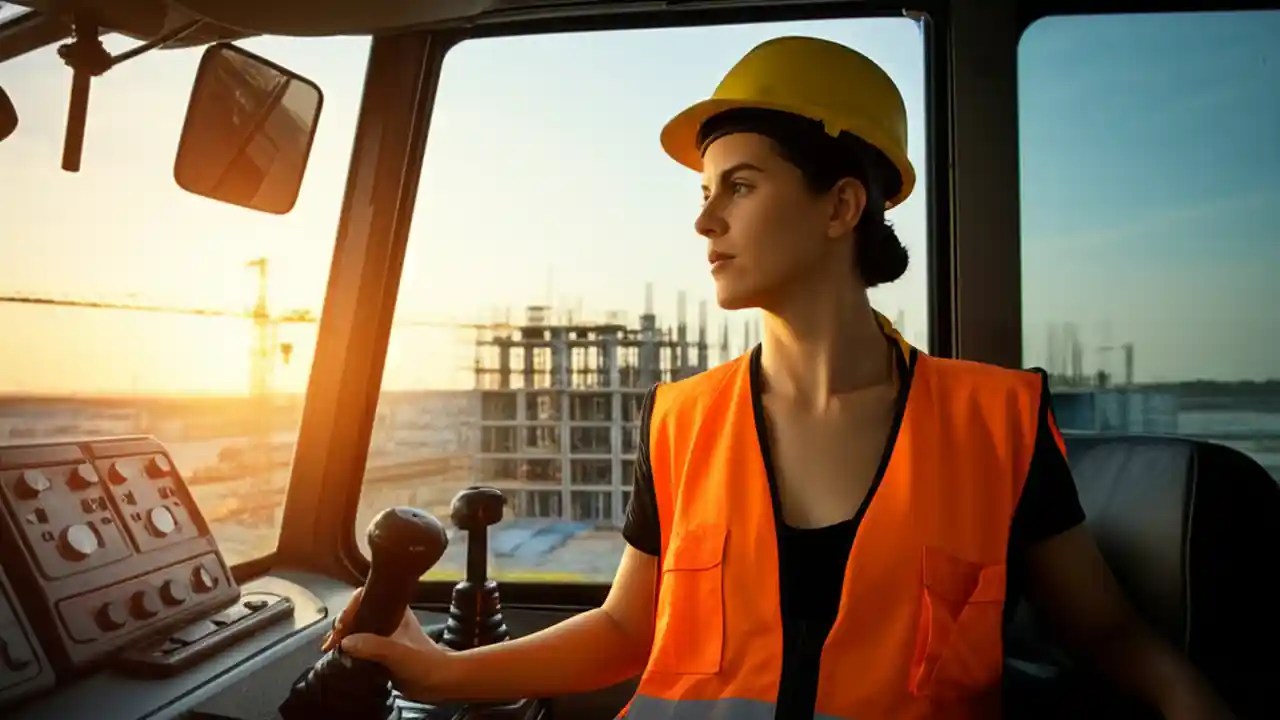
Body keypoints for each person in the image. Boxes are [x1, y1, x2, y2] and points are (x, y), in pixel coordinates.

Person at [325, 36, 1234, 719]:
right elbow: (625, 633)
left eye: (741, 187)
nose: (705, 222)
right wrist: (443, 672)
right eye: (704, 193)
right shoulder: (680, 421)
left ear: (841, 205)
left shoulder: (997, 421)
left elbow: (1109, 636)